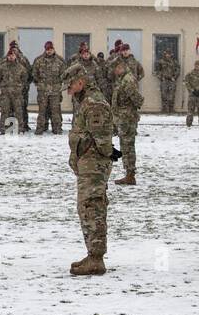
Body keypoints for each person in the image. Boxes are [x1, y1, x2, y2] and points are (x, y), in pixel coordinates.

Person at [65, 63, 119, 276]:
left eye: (70, 86)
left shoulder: (94, 102)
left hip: (94, 164)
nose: (68, 91)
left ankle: (96, 258)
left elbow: (102, 138)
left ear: (80, 82)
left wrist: (100, 156)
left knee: (92, 207)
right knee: (87, 207)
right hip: (88, 162)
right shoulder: (85, 100)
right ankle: (93, 254)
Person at [111, 58, 142, 185]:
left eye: (116, 68)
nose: (115, 71)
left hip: (127, 118)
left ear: (121, 67)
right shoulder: (123, 79)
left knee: (128, 146)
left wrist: (129, 111)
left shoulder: (127, 80)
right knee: (125, 145)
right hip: (123, 117)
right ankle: (128, 173)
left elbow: (137, 99)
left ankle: (130, 174)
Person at [33, 41, 64, 134]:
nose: (49, 51)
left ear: (53, 49)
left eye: (50, 49)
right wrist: (40, 84)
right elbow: (34, 74)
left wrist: (58, 85)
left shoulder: (59, 61)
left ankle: (57, 129)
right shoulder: (39, 61)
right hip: (43, 90)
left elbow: (64, 75)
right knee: (42, 111)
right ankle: (40, 129)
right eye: (47, 49)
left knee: (55, 111)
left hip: (55, 90)